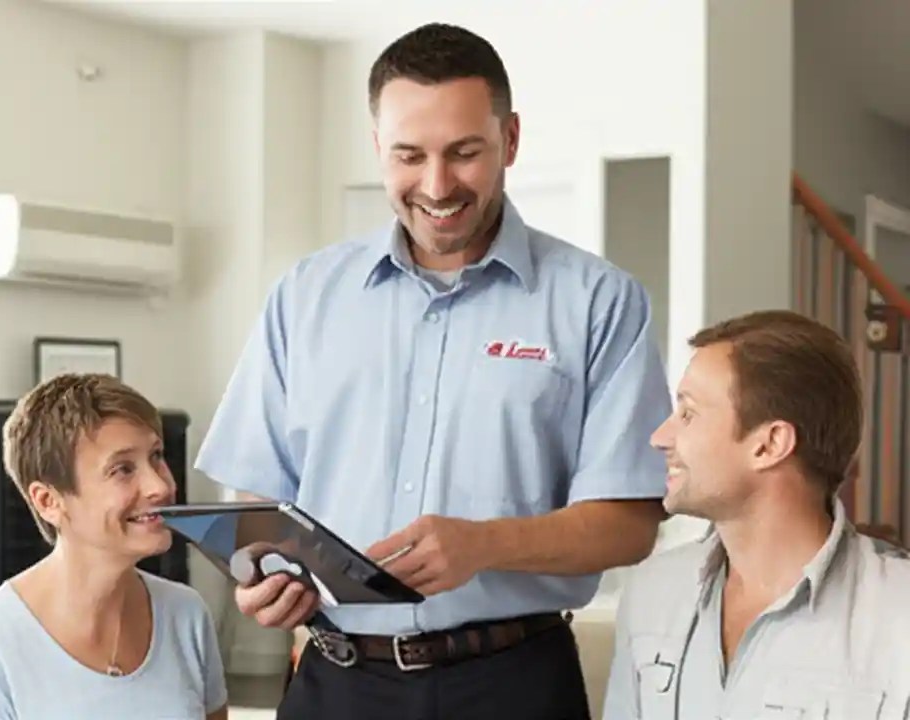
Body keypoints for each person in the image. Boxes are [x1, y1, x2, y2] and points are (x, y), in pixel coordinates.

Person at [195, 22, 672, 720]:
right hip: (335, 681)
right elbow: (254, 501)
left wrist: (485, 544)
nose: (437, 184)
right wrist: (258, 578)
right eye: (409, 155)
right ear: (378, 149)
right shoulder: (304, 296)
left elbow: (630, 525)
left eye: (464, 153)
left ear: (509, 139)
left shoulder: (599, 301)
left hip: (511, 684)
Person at [602, 310, 910, 719]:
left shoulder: (898, 618)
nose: (660, 438)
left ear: (769, 445)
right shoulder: (650, 595)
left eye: (688, 414)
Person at [0, 374, 228, 719]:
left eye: (156, 456)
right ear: (48, 501)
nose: (159, 485)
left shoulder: (186, 615)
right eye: (123, 469)